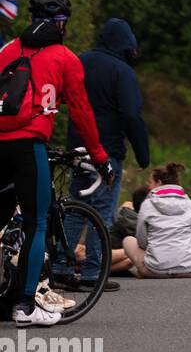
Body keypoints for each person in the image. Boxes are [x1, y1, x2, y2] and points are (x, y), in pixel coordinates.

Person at [0, 0, 115, 326]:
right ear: (62, 24)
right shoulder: (65, 59)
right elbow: (82, 113)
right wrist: (101, 158)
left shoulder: (8, 51)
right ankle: (26, 306)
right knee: (37, 222)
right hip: (27, 144)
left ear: (30, 20)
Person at [63, 18, 150, 294]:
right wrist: (142, 152)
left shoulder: (79, 62)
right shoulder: (121, 71)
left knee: (76, 207)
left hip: (76, 148)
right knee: (102, 212)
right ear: (127, 45)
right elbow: (131, 114)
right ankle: (92, 272)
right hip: (106, 150)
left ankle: (60, 268)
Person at [123, 162, 191, 278]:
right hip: (188, 270)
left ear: (159, 183)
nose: (149, 187)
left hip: (155, 270)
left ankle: (144, 270)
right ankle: (183, 267)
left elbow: (142, 241)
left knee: (128, 240)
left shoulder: (147, 204)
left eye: (150, 182)